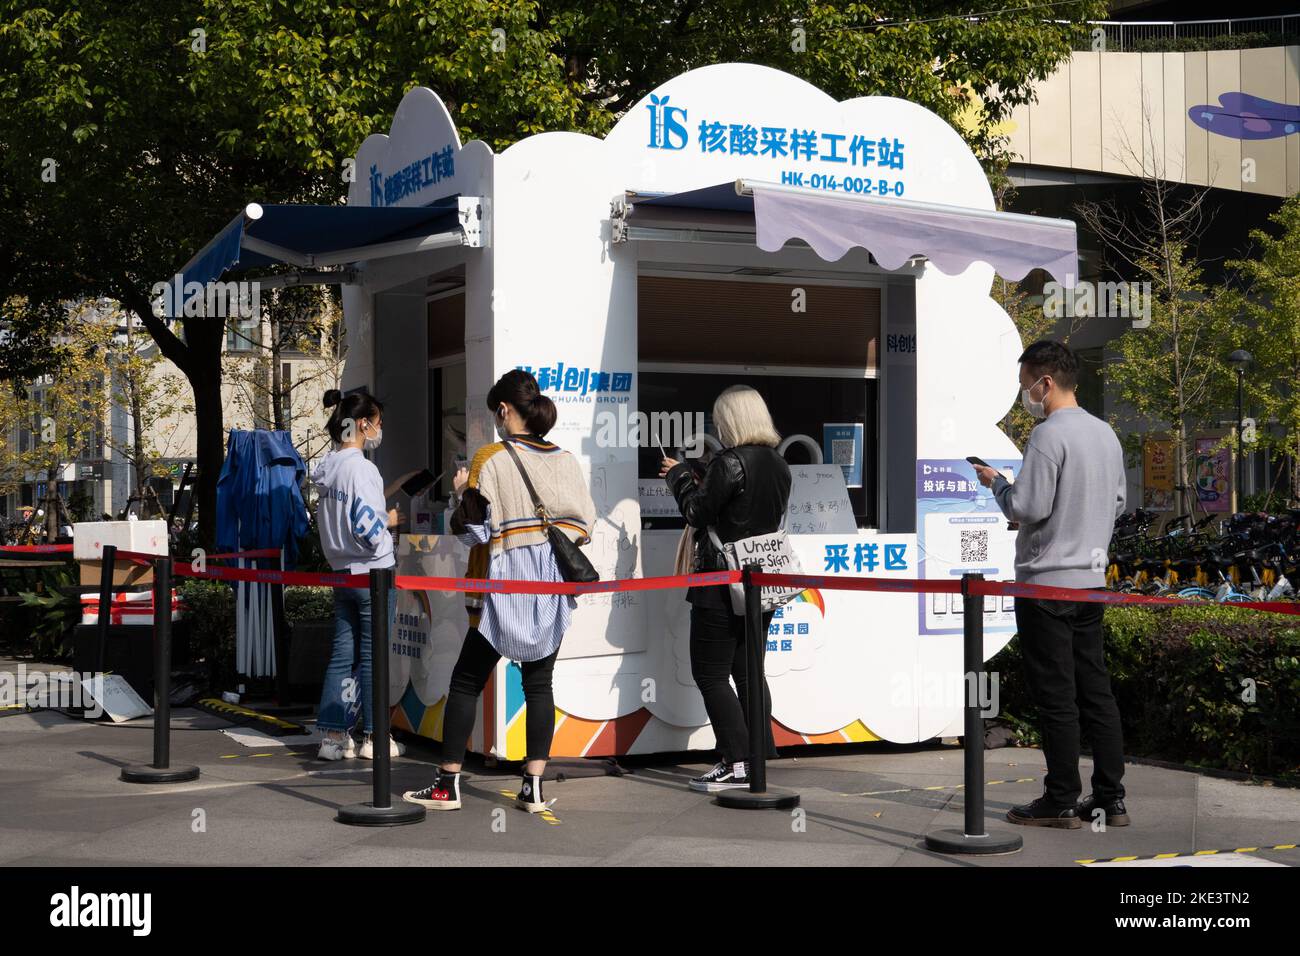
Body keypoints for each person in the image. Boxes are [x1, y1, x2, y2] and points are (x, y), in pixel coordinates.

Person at [404, 370, 596, 813]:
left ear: (504, 411)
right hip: (549, 583)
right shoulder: (566, 460)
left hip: (500, 584)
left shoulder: (489, 458)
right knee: (539, 682)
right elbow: (584, 524)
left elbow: (473, 533)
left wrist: (458, 495)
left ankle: (447, 784)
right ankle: (533, 787)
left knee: (467, 680)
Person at [973, 340, 1129, 829]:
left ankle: (1060, 797)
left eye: (1026, 386)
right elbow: (1118, 502)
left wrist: (996, 483)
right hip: (1090, 583)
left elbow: (1027, 507)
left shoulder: (1047, 435)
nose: (1026, 395)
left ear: (1044, 382)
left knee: (1056, 697)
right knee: (1096, 692)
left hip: (1045, 586)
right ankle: (1110, 799)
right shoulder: (1106, 434)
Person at [660, 385, 791, 792]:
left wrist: (679, 476)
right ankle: (758, 753)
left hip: (720, 581)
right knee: (749, 671)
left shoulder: (729, 462)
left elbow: (698, 512)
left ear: (730, 420)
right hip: (761, 579)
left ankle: (737, 761)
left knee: (710, 673)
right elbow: (743, 508)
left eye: (720, 418)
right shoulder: (778, 463)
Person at [312, 388, 413, 761]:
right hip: (373, 572)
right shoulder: (363, 469)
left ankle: (334, 737)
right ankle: (375, 737)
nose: (379, 431)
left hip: (341, 572)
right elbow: (370, 530)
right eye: (378, 423)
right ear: (363, 424)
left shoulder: (329, 467)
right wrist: (389, 521)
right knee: (373, 657)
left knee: (342, 654)